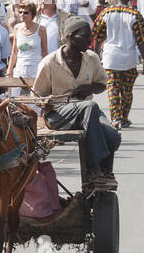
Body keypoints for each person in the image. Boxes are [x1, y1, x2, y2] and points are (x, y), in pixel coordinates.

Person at [32, 17, 120, 180]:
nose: (90, 41)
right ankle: (94, 170)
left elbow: (101, 84)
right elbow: (37, 95)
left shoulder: (92, 58)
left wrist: (90, 88)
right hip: (58, 115)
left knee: (113, 135)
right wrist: (45, 101)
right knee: (90, 106)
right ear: (71, 37)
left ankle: (105, 173)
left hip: (88, 114)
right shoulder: (49, 63)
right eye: (86, 37)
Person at [91, 0, 144, 128]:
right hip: (129, 58)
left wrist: (96, 55)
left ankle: (115, 119)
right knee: (127, 91)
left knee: (113, 89)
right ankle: (124, 118)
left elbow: (97, 36)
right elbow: (141, 39)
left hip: (111, 58)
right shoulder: (135, 15)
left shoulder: (106, 13)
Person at [7, 0, 48, 88]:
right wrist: (9, 71)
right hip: (19, 69)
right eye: (20, 12)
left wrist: (46, 72)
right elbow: (14, 52)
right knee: (15, 98)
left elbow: (45, 53)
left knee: (34, 100)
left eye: (25, 13)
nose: (22, 15)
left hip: (35, 69)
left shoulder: (41, 29)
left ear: (32, 14)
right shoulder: (17, 28)